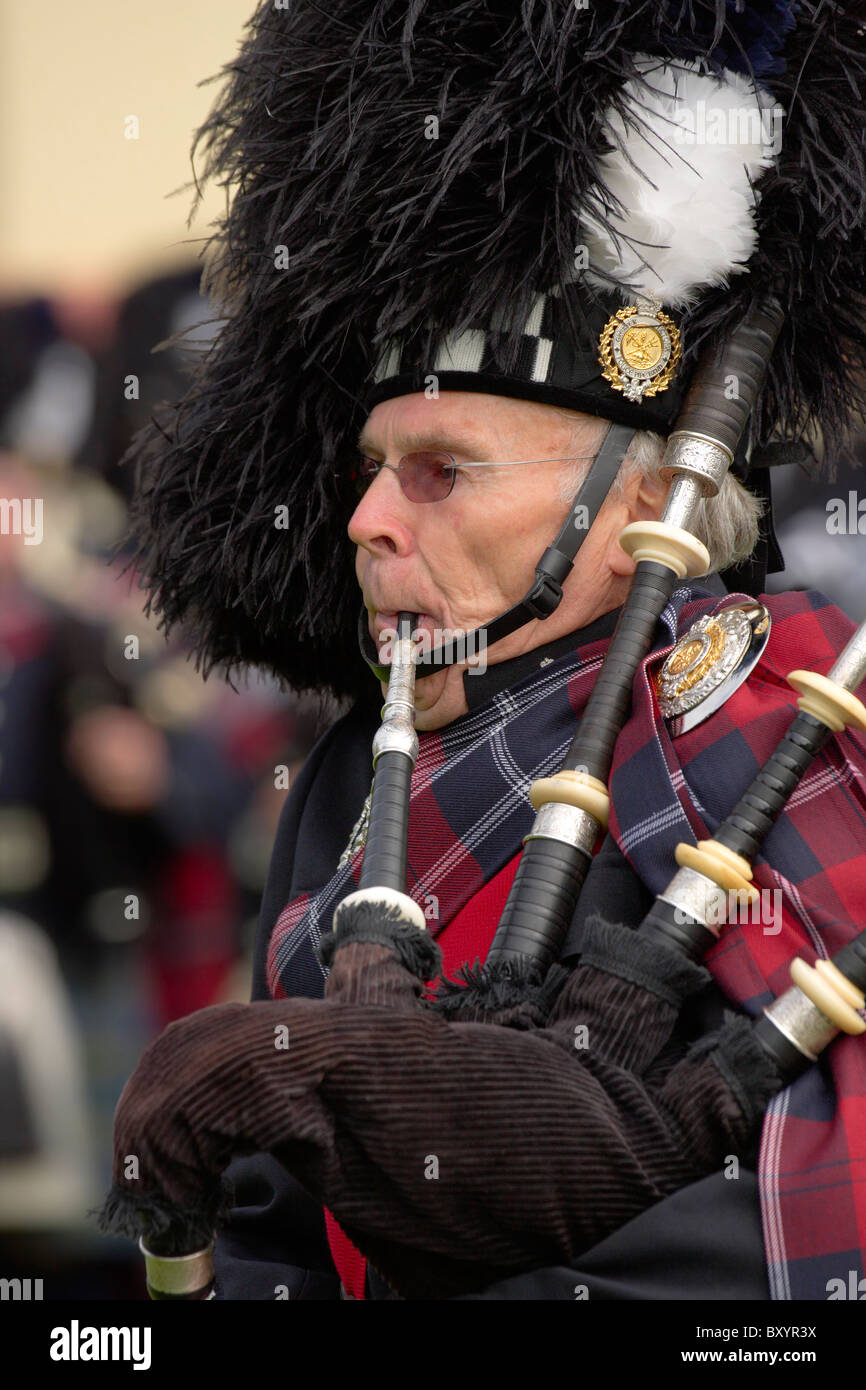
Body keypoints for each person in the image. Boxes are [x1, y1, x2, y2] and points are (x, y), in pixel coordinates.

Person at [104, 1, 866, 1300]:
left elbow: (797, 1221)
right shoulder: (353, 773)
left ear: (641, 513)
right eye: (369, 468)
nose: (364, 519)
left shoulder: (778, 694)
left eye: (440, 471)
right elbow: (274, 1230)